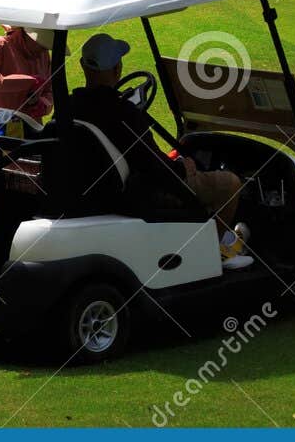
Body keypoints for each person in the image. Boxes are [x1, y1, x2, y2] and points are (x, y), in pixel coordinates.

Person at [68, 33, 250, 269]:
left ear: (83, 66)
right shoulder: (123, 113)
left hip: (103, 188)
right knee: (230, 184)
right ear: (116, 69)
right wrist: (182, 168)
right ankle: (215, 253)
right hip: (140, 190)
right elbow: (152, 164)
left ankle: (224, 240)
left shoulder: (70, 107)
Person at [0, 25, 52, 121]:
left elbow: (49, 90)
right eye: (42, 42)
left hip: (31, 126)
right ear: (27, 34)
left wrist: (42, 104)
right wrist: (26, 82)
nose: (45, 48)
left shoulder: (43, 54)